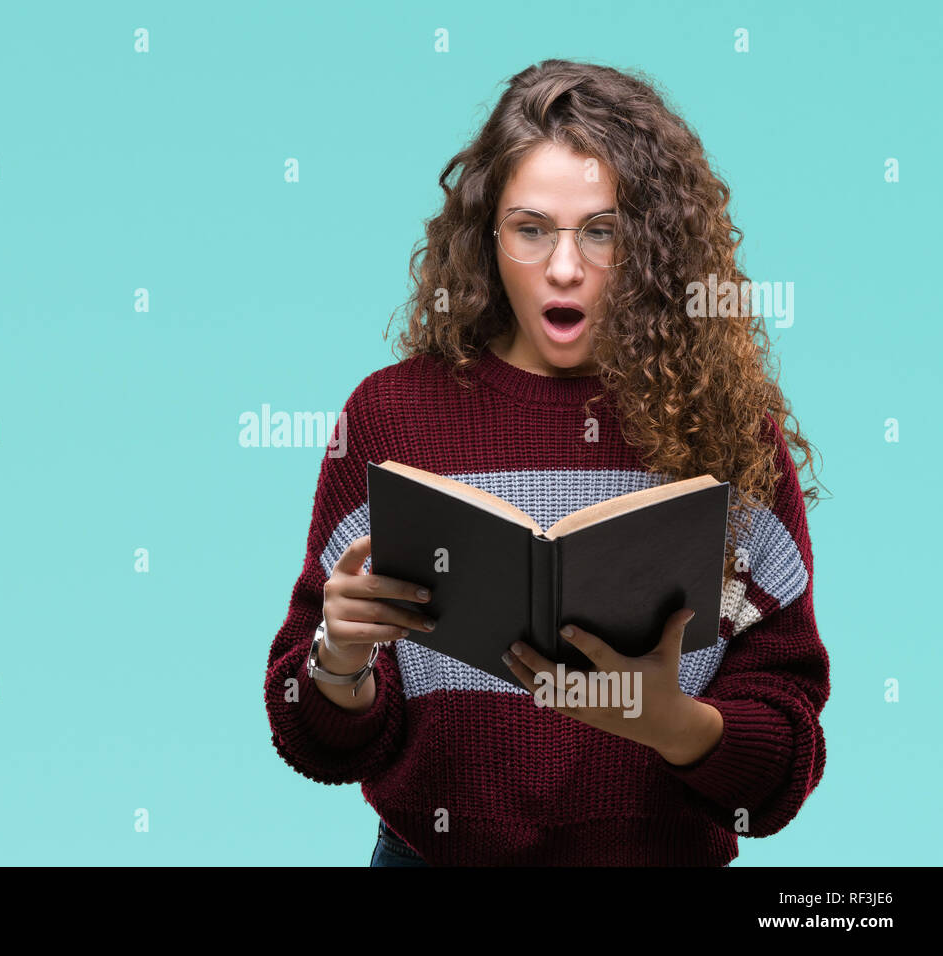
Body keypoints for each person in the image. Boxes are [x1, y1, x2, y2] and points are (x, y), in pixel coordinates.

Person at [263, 58, 830, 867]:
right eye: (532, 229)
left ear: (654, 244)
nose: (565, 266)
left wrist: (672, 723)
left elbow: (782, 758)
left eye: (601, 230)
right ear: (487, 237)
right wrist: (339, 659)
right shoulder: (391, 417)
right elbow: (317, 735)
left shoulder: (730, 432)